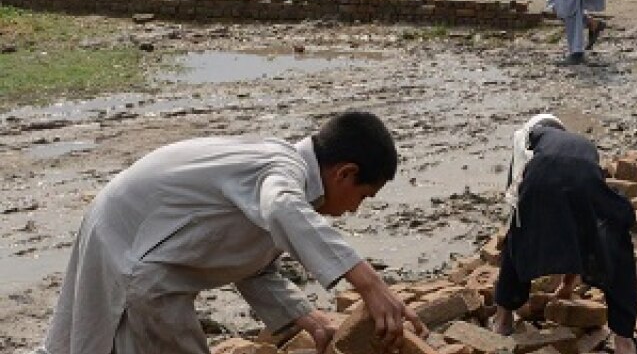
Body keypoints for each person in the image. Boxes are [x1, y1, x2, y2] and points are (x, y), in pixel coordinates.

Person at [38, 111, 424, 354]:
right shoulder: (281, 171)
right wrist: (370, 285)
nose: (355, 209)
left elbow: (251, 265)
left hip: (138, 243)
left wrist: (304, 316)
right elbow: (280, 208)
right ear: (345, 173)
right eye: (362, 196)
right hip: (132, 248)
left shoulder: (281, 174)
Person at [491, 115, 637, 354]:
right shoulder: (581, 143)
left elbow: (514, 205)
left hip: (540, 174)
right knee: (614, 242)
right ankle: (624, 341)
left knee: (518, 238)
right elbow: (579, 229)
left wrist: (526, 229)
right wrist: (567, 286)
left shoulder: (525, 140)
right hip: (585, 176)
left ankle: (502, 320)